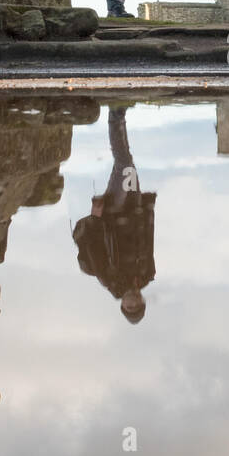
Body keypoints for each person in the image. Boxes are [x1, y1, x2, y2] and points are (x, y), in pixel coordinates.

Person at [72, 106, 157, 323]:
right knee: (126, 165)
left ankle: (116, 115)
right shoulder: (146, 276)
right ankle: (118, 118)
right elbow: (149, 242)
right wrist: (149, 210)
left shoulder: (109, 279)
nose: (133, 302)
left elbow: (93, 245)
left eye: (130, 307)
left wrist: (95, 217)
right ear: (143, 302)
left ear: (123, 304)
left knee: (126, 165)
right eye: (137, 305)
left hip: (114, 212)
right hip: (135, 210)